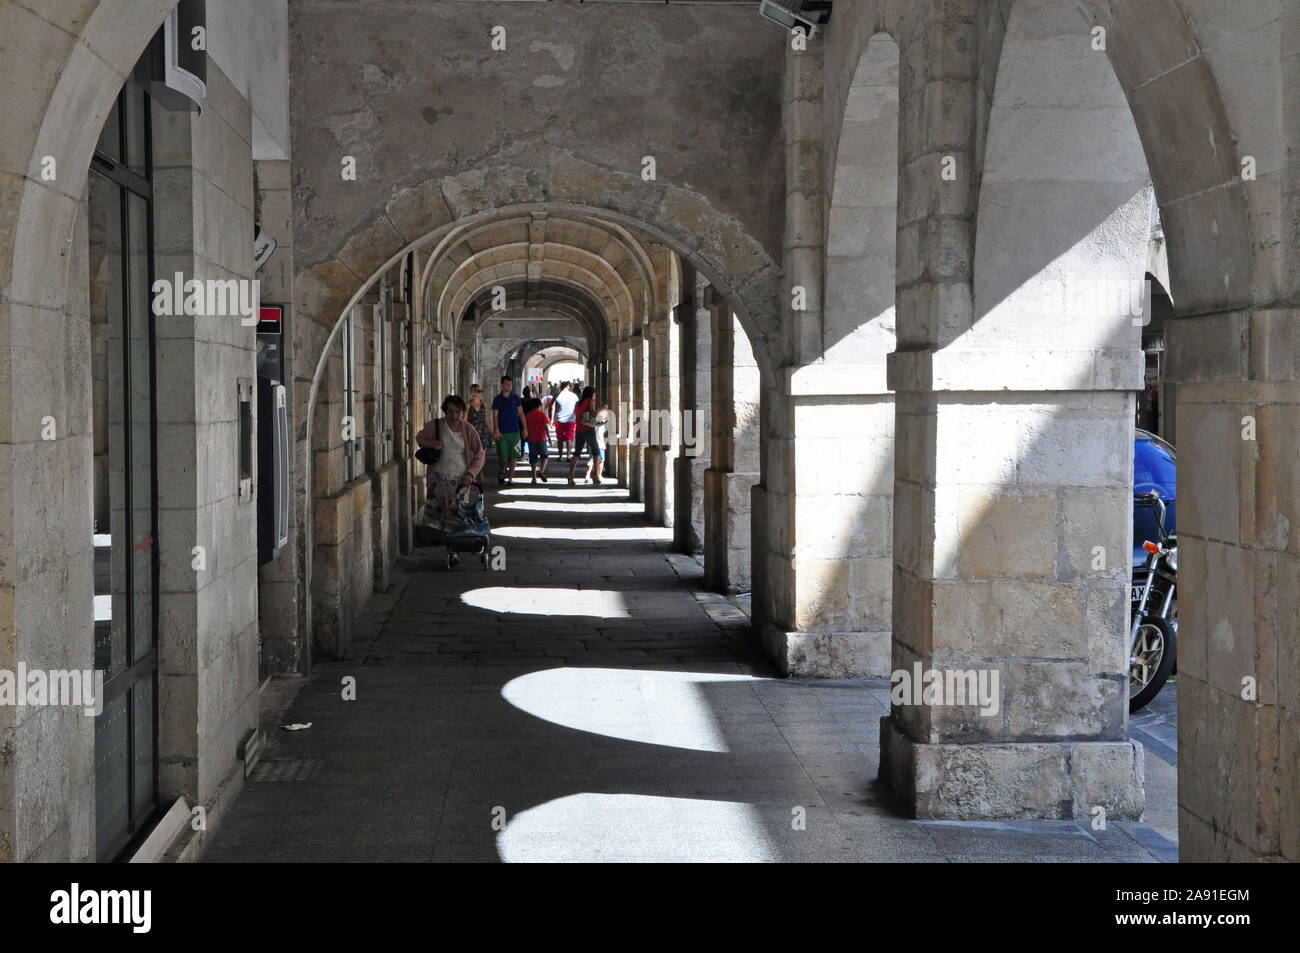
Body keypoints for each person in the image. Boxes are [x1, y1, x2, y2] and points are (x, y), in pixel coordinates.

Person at [416, 394, 485, 528]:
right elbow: (419, 438)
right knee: (435, 517)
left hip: (461, 479)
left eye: (458, 412)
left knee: (457, 515)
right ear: (445, 411)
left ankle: (454, 542)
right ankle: (437, 540)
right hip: (437, 479)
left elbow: (479, 453)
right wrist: (431, 444)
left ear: (462, 412)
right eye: (451, 412)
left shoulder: (469, 429)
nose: (454, 416)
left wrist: (471, 473)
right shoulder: (435, 426)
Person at [490, 376, 525, 485]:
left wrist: (525, 428)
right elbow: (495, 416)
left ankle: (510, 478)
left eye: (510, 384)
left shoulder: (516, 398)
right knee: (503, 457)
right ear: (502, 385)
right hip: (503, 432)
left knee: (514, 456)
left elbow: (521, 413)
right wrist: (497, 430)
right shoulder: (497, 399)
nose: (509, 386)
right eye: (506, 384)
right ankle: (502, 470)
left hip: (515, 431)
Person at [569, 385, 603, 485]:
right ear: (591, 394)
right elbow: (592, 413)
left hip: (579, 429)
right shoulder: (590, 401)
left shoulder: (578, 403)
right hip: (588, 429)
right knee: (596, 453)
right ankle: (596, 476)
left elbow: (576, 414)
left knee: (576, 453)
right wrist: (602, 414)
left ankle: (570, 477)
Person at [522, 396, 551, 485]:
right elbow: (546, 426)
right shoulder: (542, 415)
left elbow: (525, 427)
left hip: (531, 439)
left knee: (533, 458)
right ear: (539, 405)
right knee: (544, 456)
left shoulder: (528, 416)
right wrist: (548, 437)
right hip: (541, 438)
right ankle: (541, 471)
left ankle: (534, 477)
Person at [553, 380, 578, 462]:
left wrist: (553, 418)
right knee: (569, 438)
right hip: (571, 420)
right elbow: (577, 407)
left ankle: (560, 456)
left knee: (560, 439)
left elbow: (555, 408)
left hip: (560, 420)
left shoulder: (558, 395)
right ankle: (568, 456)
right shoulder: (574, 396)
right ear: (568, 386)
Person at [466, 384, 493, 456]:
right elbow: (464, 420)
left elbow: (486, 418)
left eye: (481, 391)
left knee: (483, 453)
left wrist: (491, 432)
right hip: (472, 431)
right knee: (473, 453)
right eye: (478, 391)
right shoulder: (468, 405)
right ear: (473, 392)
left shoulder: (484, 404)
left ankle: (481, 467)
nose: (480, 393)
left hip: (483, 431)